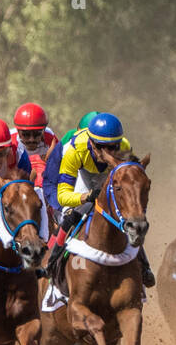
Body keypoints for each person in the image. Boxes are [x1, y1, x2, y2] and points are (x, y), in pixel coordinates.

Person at [49, 112, 154, 287]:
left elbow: (131, 179)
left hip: (110, 178)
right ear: (91, 142)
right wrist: (85, 197)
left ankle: (144, 266)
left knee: (129, 219)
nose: (107, 153)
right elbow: (63, 195)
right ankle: (53, 263)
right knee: (74, 214)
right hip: (84, 178)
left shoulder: (125, 147)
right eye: (101, 146)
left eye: (113, 147)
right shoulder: (74, 150)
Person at [11, 102, 58, 191]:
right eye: (26, 135)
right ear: (18, 132)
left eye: (37, 134)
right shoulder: (12, 143)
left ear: (43, 131)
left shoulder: (50, 137)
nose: (31, 140)